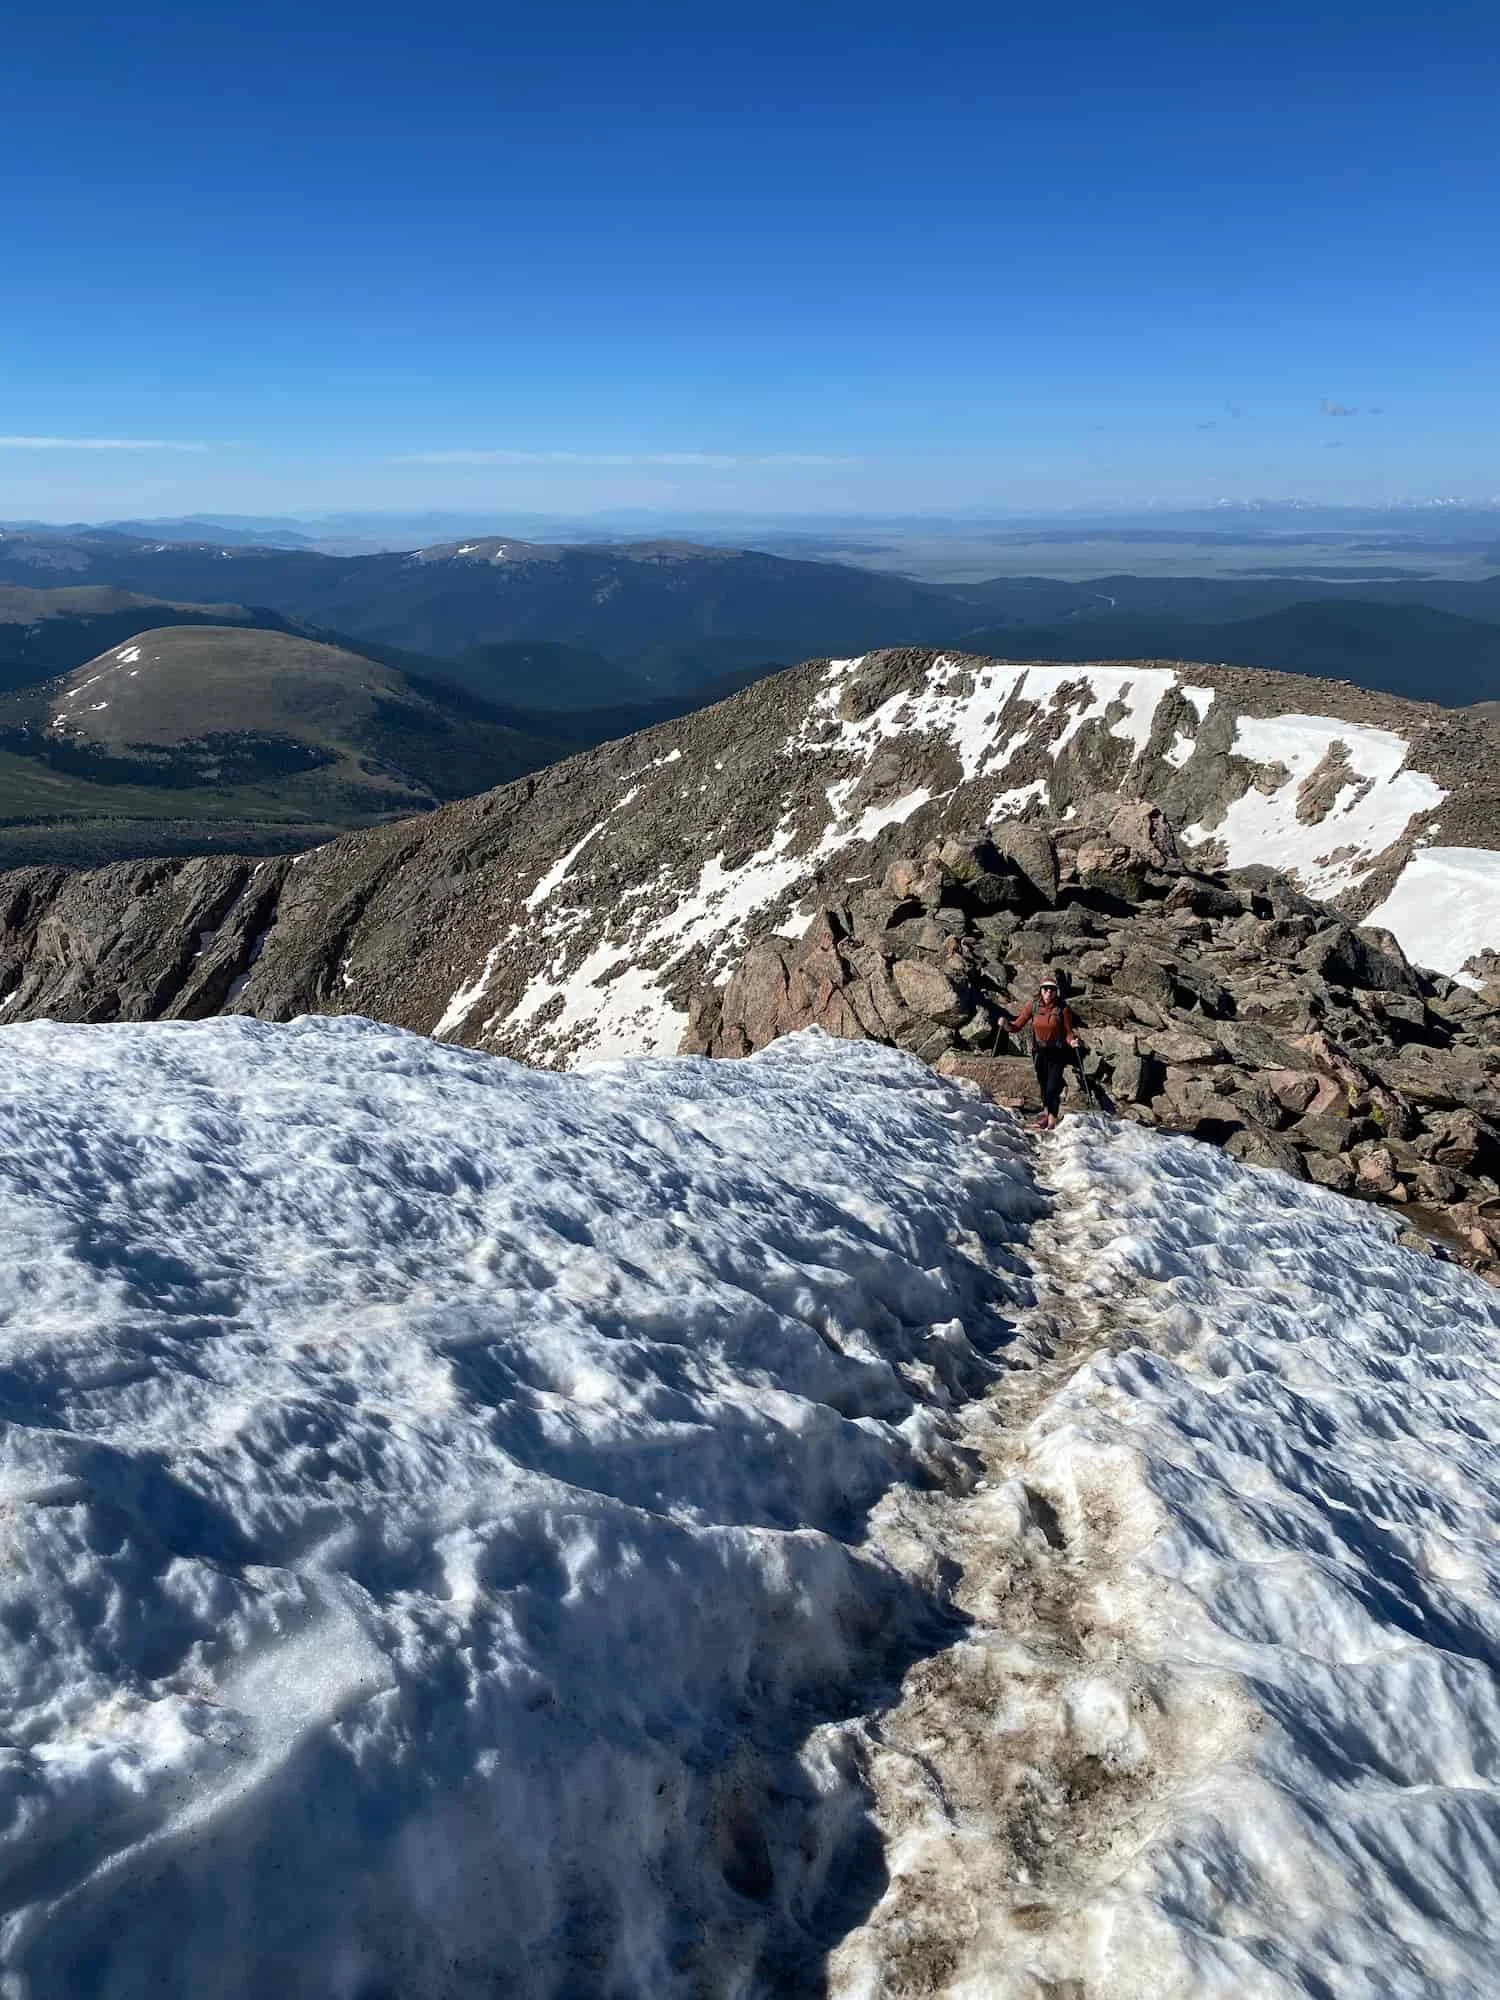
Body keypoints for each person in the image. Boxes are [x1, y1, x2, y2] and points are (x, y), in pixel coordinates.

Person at [1005, 971, 1080, 1131]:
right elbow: (1017, 1026)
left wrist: (1072, 1041)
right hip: (1039, 1052)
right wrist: (1006, 1025)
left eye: (1052, 990)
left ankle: (1052, 1121)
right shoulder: (1032, 1006)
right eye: (1045, 989)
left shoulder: (1062, 1009)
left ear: (1056, 992)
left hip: (1057, 1052)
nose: (1048, 992)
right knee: (1044, 1085)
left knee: (1053, 1087)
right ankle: (1047, 1113)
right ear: (1040, 990)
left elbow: (1068, 1031)